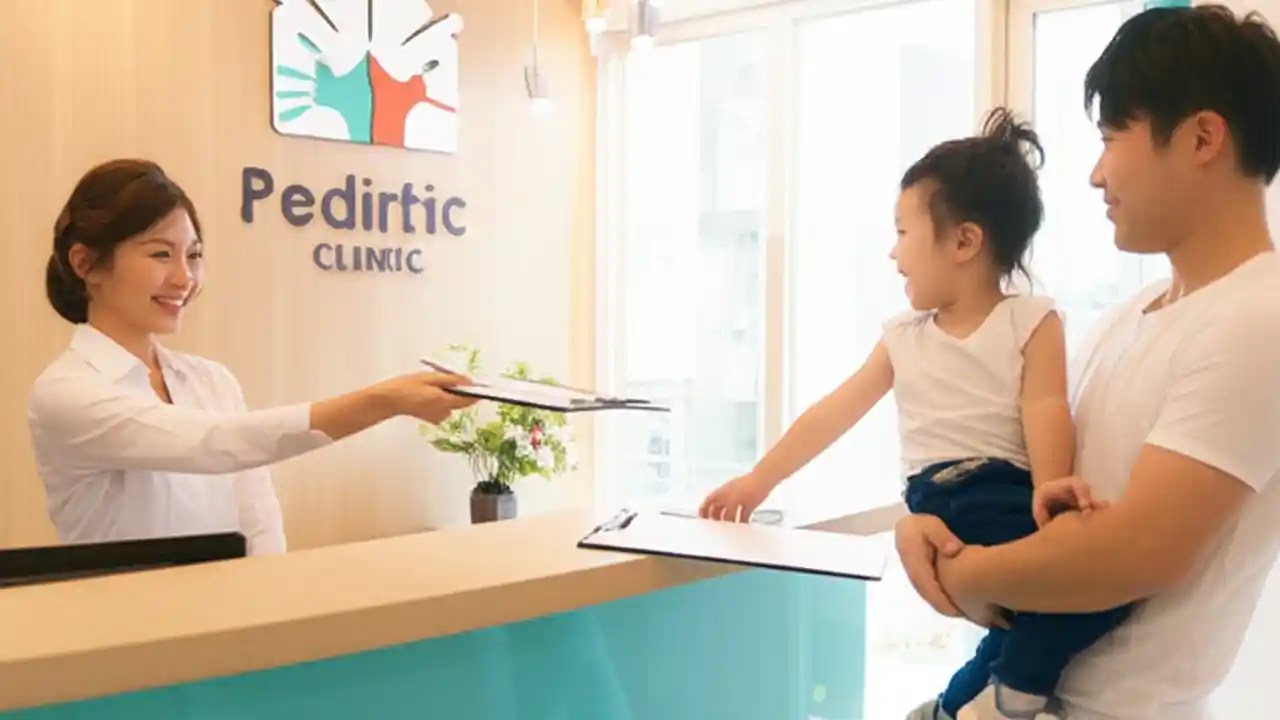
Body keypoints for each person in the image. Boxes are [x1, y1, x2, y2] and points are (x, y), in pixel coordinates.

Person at [893, 6, 1280, 720]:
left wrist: (963, 570)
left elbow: (1133, 555)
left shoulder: (1260, 318)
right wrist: (922, 528)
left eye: (1110, 140)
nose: (1098, 175)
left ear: (1201, 137)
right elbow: (1044, 520)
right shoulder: (1125, 322)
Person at [698, 109, 1121, 719]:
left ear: (964, 241)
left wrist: (1051, 492)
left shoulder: (1029, 320)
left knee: (1036, 608)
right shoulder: (904, 336)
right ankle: (1019, 693)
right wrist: (758, 480)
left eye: (902, 232)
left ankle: (953, 707)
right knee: (1099, 591)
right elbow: (832, 413)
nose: (893, 253)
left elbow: (1047, 407)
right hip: (951, 499)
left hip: (1006, 492)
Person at [28, 158, 476, 556]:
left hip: (232, 626)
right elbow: (219, 444)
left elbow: (259, 521)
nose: (185, 277)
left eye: (195, 255)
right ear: (86, 264)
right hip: (125, 635)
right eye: (161, 254)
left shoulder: (211, 381)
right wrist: (386, 400)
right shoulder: (67, 393)